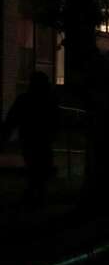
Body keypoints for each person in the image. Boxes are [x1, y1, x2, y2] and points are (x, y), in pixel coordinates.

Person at [1, 71, 58, 206]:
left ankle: (33, 194)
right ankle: (37, 195)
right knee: (40, 168)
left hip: (30, 138)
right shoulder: (49, 100)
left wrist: (5, 135)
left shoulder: (25, 99)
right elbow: (55, 119)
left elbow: (12, 119)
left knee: (34, 167)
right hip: (42, 139)